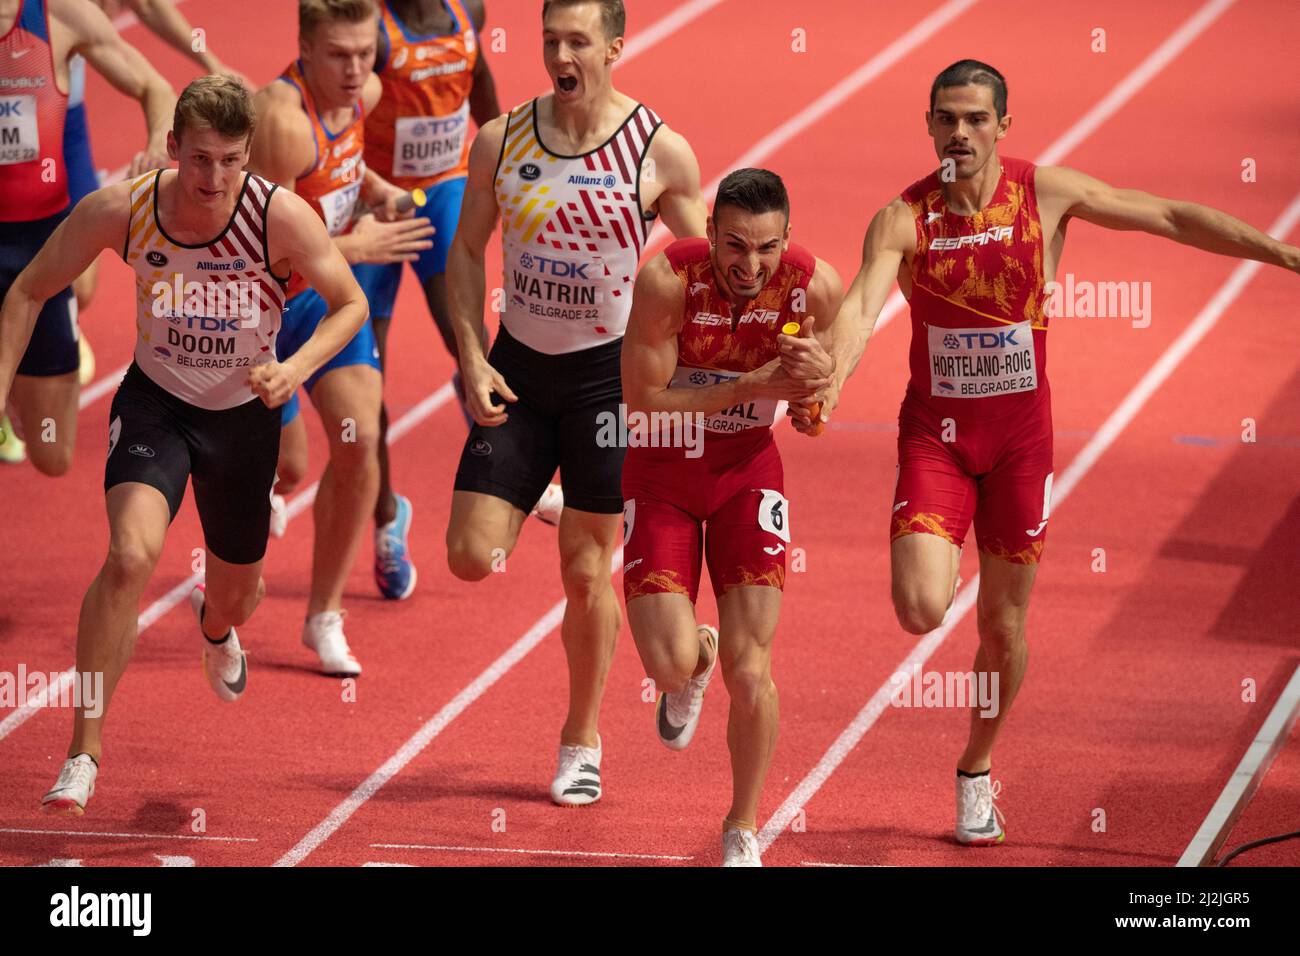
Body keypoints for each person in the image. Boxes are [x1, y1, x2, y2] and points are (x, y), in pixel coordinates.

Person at [825, 59, 1300, 846]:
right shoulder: (902, 219)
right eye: (946, 118)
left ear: (1003, 125)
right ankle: (942, 556)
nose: (960, 132)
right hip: (937, 440)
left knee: (1003, 630)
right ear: (930, 127)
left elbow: (1174, 218)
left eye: (976, 118)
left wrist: (1284, 256)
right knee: (919, 609)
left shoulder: (1045, 194)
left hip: (1020, 444)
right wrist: (833, 376)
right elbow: (859, 309)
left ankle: (975, 770)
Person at [0, 75, 368, 815]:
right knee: (128, 555)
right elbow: (27, 290)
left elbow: (349, 303)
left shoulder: (278, 217)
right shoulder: (125, 210)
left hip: (243, 419)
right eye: (200, 159)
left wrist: (293, 368)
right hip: (156, 406)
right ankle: (83, 753)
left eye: (232, 160)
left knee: (239, 595)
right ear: (172, 148)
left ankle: (215, 626)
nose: (215, 178)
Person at [445, 0, 707, 806]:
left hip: (605, 381)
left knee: (588, 573)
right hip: (519, 368)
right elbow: (464, 250)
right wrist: (468, 354)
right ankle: (550, 499)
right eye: (549, 39)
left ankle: (581, 740)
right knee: (468, 555)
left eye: (577, 42)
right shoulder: (501, 138)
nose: (560, 55)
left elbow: (700, 274)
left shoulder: (657, 151)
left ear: (615, 47)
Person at [621, 168, 841, 866]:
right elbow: (644, 402)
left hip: (748, 475)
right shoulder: (666, 282)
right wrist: (750, 385)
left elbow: (815, 405)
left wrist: (810, 406)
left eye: (767, 248)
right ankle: (691, 667)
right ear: (709, 232)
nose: (751, 265)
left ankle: (742, 826)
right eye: (736, 246)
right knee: (667, 661)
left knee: (752, 673)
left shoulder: (815, 287)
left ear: (787, 239)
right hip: (661, 470)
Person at [249, 0, 434, 675]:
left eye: (365, 52)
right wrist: (357, 243)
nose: (357, 70)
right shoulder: (281, 123)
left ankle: (323, 617)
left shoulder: (367, 90)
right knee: (291, 466)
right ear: (303, 47)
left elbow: (346, 171)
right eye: (339, 56)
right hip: (261, 311)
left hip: (323, 307)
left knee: (358, 444)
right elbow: (261, 246)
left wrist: (378, 191)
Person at [354, 0, 502, 600]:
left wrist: (513, 168)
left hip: (443, 195)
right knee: (367, 382)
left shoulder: (467, 12)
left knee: (470, 339)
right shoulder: (374, 31)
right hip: (377, 210)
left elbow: (483, 84)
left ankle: (499, 444)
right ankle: (389, 518)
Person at [0, 0, 172, 475]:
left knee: (52, 456)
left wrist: (158, 138)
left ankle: (15, 375)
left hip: (40, 248)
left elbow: (153, 84)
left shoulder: (60, 16)